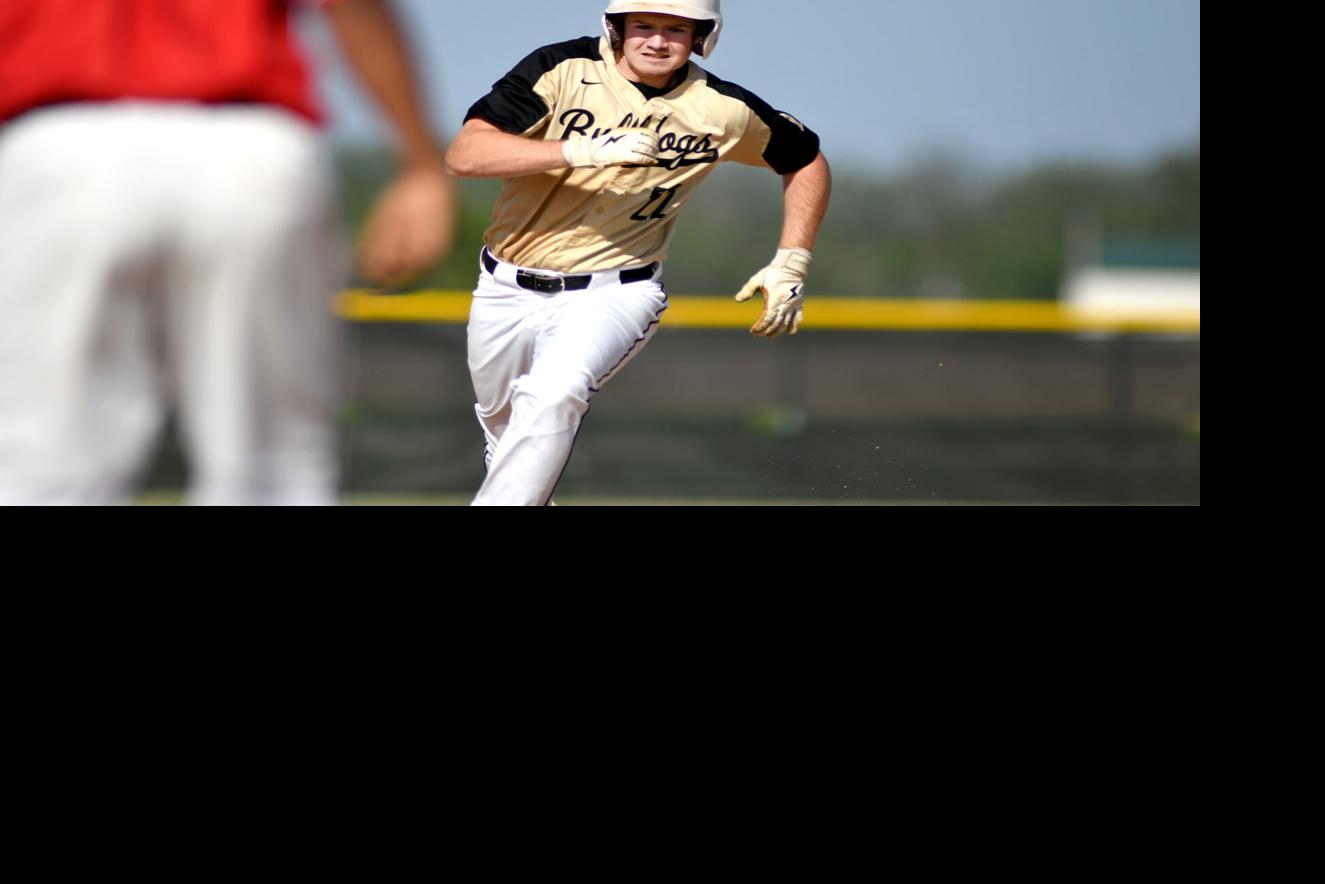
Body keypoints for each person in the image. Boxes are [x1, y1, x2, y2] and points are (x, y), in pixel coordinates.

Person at [0, 0, 456, 505]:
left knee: (41, 466)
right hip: (248, 151)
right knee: (271, 472)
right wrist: (420, 162)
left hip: (61, 150)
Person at [445, 0, 831, 506]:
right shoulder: (562, 69)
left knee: (555, 395)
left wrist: (792, 259)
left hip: (613, 291)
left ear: (702, 36)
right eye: (642, 25)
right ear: (617, 28)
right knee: (506, 432)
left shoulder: (722, 108)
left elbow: (805, 160)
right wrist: (582, 149)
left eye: (675, 29)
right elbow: (466, 154)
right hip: (504, 286)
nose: (656, 40)